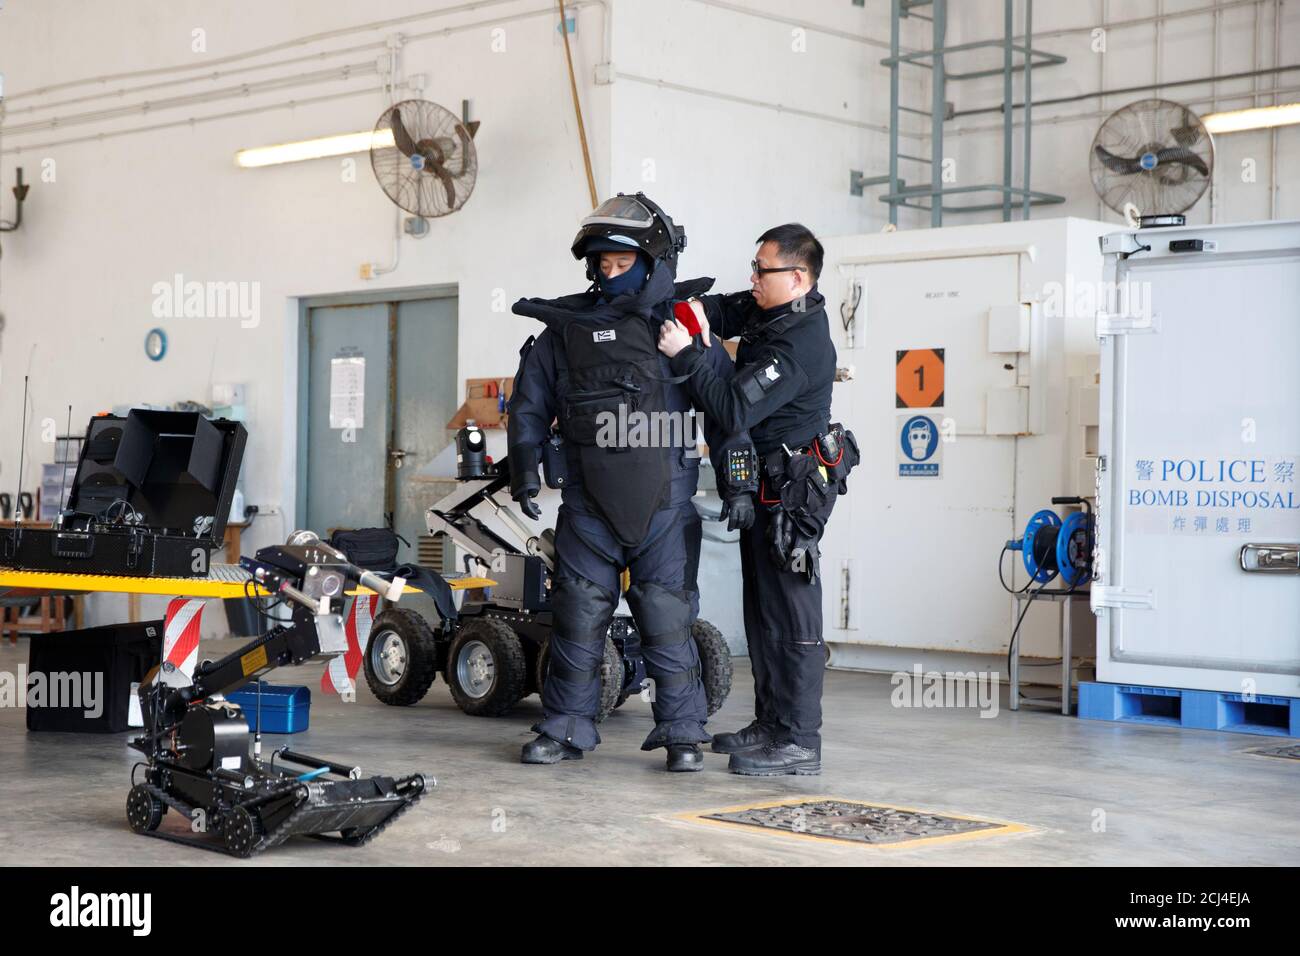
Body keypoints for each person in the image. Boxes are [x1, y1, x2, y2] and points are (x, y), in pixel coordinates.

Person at [507, 193, 736, 772]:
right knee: (578, 614)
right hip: (588, 501)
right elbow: (529, 405)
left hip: (666, 501)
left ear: (652, 261)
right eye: (603, 264)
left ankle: (683, 735)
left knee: (666, 617)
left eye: (623, 263)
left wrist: (739, 483)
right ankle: (565, 727)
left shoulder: (682, 324)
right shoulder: (564, 331)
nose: (611, 273)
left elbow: (724, 408)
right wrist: (524, 468)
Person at [656, 223, 856, 776]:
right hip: (765, 487)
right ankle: (770, 724)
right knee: (763, 613)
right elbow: (725, 308)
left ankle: (799, 741)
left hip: (794, 495)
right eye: (754, 268)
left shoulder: (800, 343)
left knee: (791, 615)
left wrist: (688, 354)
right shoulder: (772, 310)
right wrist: (687, 305)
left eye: (762, 271)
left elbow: (732, 408)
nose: (753, 279)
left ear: (799, 277)